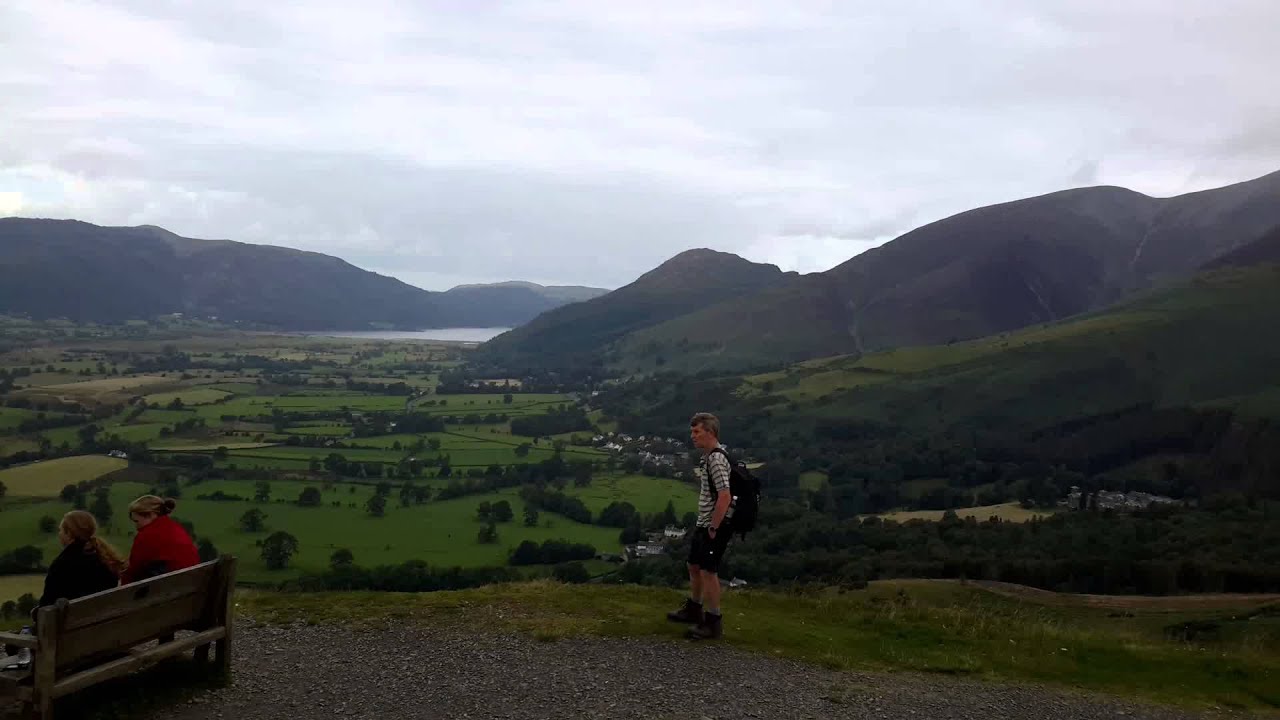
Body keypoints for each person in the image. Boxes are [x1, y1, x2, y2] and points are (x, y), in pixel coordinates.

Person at [667, 412, 734, 640]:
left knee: (708, 571)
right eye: (692, 432)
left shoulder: (716, 459)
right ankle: (694, 610)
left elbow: (725, 496)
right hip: (704, 522)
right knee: (694, 565)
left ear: (710, 432)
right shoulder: (707, 457)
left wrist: (714, 526)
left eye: (697, 432)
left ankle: (713, 622)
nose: (692, 436)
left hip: (714, 525)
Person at [37, 511, 125, 611]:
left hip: (75, 620)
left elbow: (46, 604)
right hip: (105, 617)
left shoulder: (62, 564)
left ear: (68, 533)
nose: (59, 534)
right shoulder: (104, 559)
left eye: (60, 530)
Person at [121, 496, 199, 584]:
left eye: (136, 521)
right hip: (192, 583)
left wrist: (121, 586)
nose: (136, 527)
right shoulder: (176, 528)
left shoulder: (146, 535)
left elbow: (134, 570)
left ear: (150, 515)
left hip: (168, 587)